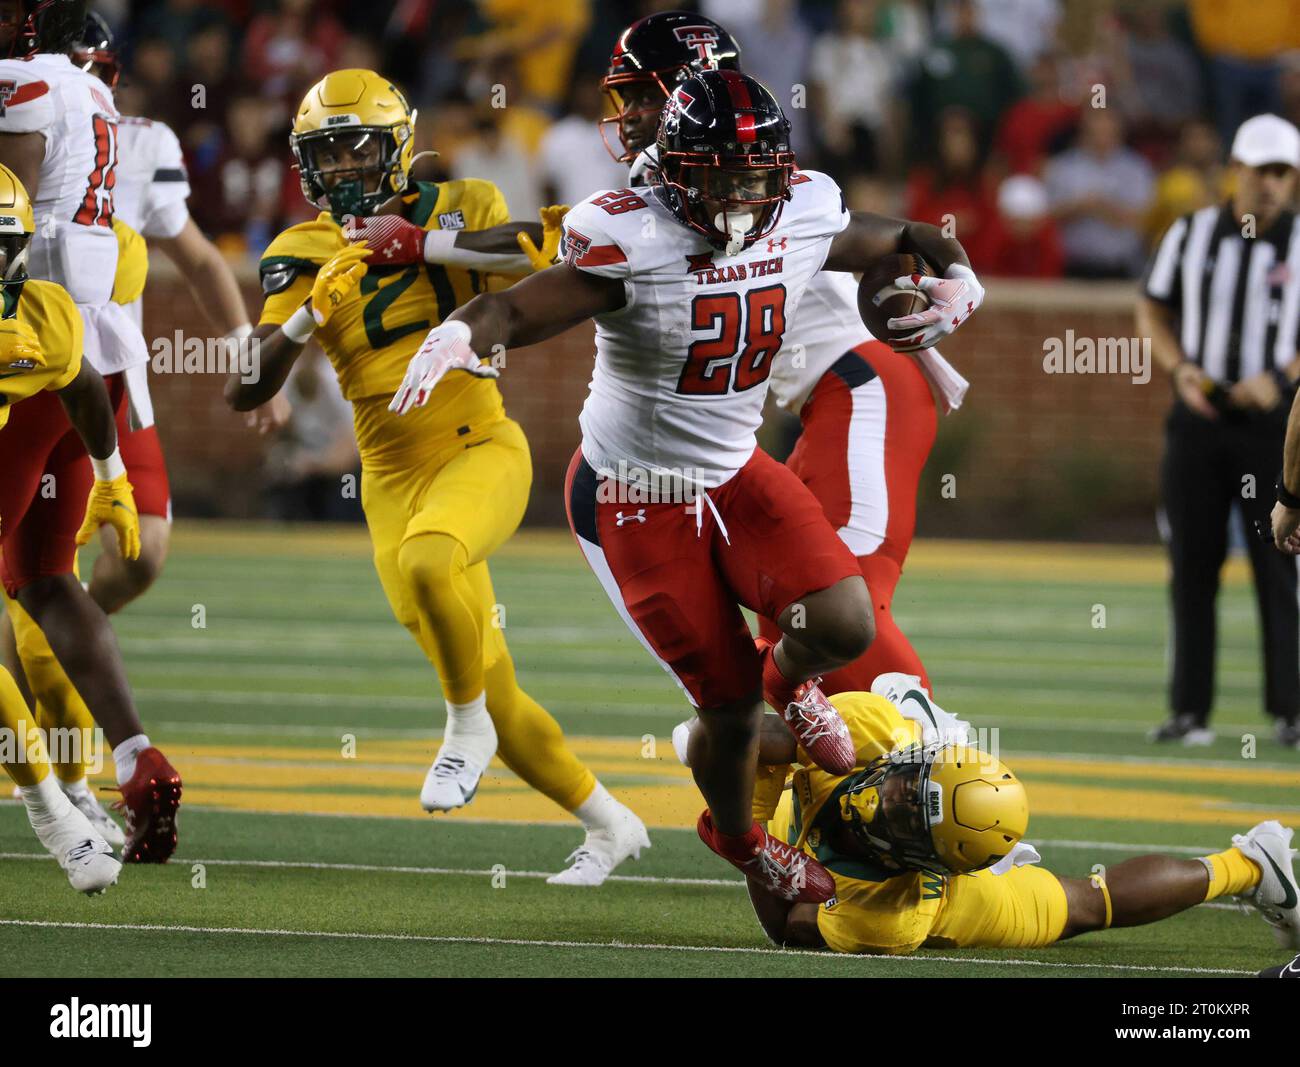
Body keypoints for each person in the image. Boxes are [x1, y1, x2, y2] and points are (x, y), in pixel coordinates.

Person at [385, 68, 984, 900]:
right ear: (674, 171)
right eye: (722, 178)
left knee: (842, 618)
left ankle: (792, 685)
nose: (742, 197)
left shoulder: (803, 209)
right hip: (637, 494)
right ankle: (738, 839)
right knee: (733, 714)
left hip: (735, 469)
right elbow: (521, 309)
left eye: (755, 179)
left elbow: (902, 235)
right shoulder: (633, 234)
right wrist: (459, 332)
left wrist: (960, 277)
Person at [225, 68, 647, 886]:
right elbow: (246, 383)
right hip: (388, 480)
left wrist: (421, 245)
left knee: (433, 569)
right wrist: (312, 311)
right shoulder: (300, 249)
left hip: (477, 446)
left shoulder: (462, 202)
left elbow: (550, 251)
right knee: (496, 685)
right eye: (327, 154)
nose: (342, 169)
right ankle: (612, 823)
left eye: (356, 150)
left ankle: (460, 729)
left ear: (396, 148)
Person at [673, 684, 1299, 955]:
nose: (883, 797)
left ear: (917, 857)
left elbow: (786, 927)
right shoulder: (878, 735)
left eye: (900, 816)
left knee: (1088, 904)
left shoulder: (891, 916)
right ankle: (922, 720)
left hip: (951, 898)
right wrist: (749, 818)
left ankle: (1249, 865)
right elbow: (747, 735)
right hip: (912, 738)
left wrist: (750, 843)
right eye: (905, 785)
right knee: (873, 705)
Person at [0, 0, 182, 862]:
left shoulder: (25, 83)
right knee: (43, 577)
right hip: (88, 364)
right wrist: (111, 464)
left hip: (26, 350)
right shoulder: (96, 98)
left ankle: (52, 808)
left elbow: (5, 215)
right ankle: (136, 757)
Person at [1142, 114, 1300, 751]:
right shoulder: (1192, 232)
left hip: (1275, 426)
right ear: (1234, 170)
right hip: (1199, 423)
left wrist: (1282, 376)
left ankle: (1291, 709)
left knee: (1281, 565)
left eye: (1282, 173)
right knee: (1191, 564)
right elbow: (1152, 303)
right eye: (1260, 169)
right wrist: (1179, 368)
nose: (1270, 184)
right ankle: (1189, 711)